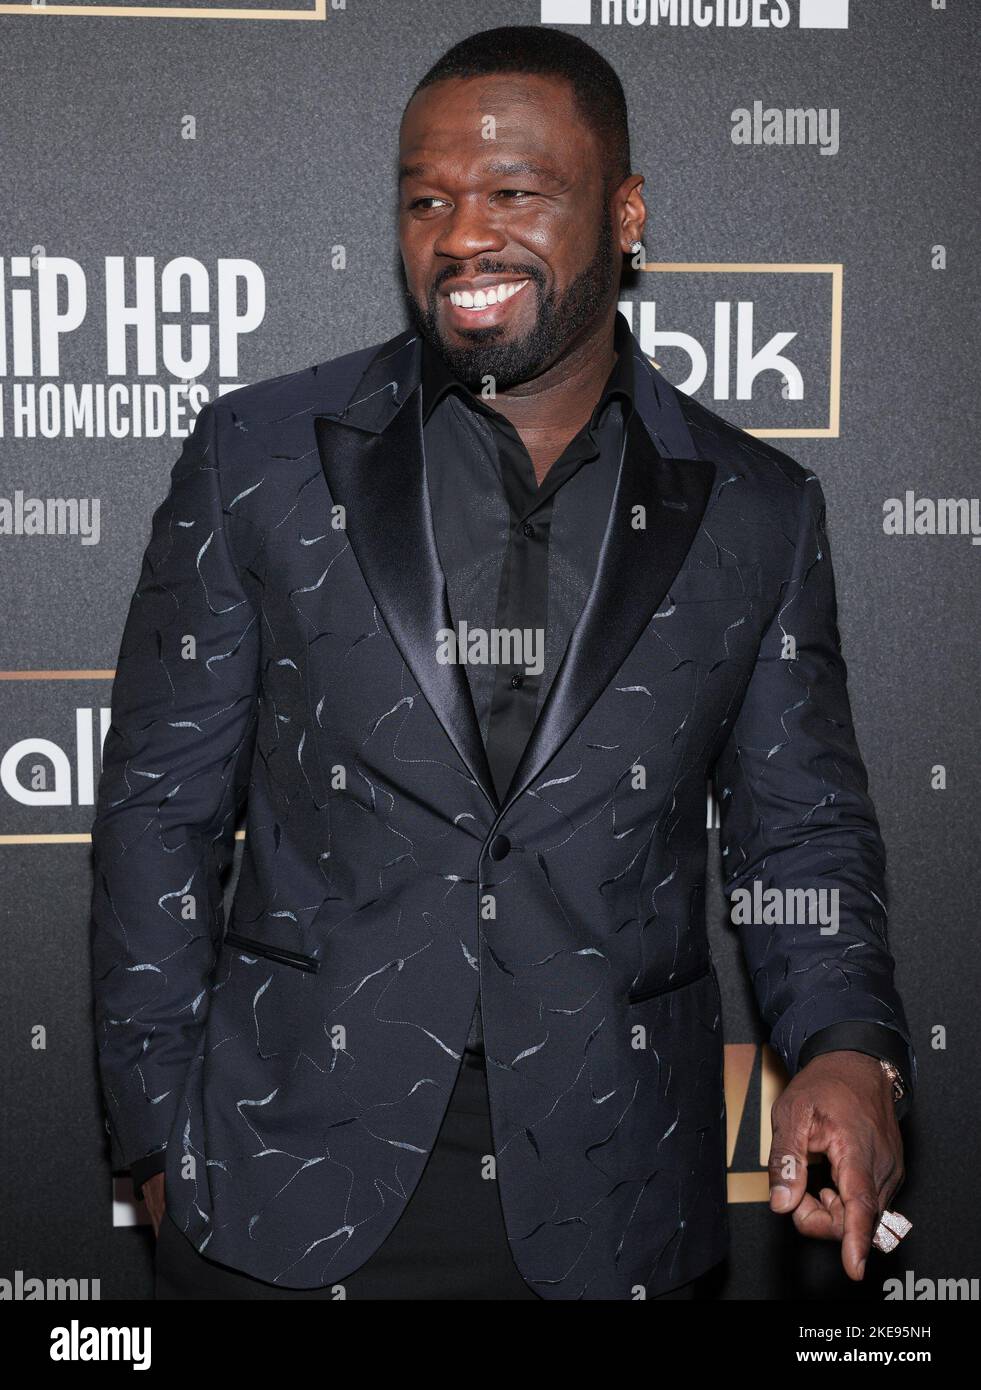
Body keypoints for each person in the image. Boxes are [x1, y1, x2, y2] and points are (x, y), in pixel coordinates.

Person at [90, 25, 914, 1301]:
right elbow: (159, 806)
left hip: (616, 1191)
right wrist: (155, 1131)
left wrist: (850, 1048)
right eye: (428, 199)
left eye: (515, 193)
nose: (463, 234)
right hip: (281, 1178)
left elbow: (800, 831)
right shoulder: (257, 458)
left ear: (626, 212)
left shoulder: (757, 508)